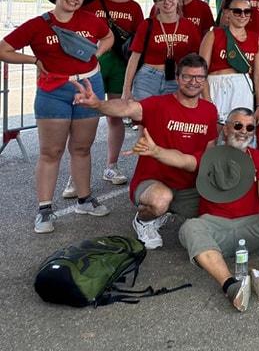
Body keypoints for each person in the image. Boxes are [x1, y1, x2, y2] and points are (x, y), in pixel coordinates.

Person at [130, 107, 259, 312]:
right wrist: (156, 151)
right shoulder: (210, 157)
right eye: (238, 125)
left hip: (252, 227)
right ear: (226, 129)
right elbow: (183, 160)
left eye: (249, 127)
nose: (243, 131)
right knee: (190, 227)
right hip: (216, 229)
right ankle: (231, 286)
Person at [0, 0, 114, 233]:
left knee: (82, 147)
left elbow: (108, 37)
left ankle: (84, 200)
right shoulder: (37, 25)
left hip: (89, 85)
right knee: (51, 151)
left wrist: (96, 55)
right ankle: (44, 210)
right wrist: (34, 61)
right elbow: (3, 49)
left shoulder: (90, 20)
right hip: (53, 89)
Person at [71, 54, 219, 249]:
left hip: (188, 186)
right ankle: (144, 221)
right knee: (160, 200)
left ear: (205, 80)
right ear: (177, 78)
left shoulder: (209, 111)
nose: (193, 82)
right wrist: (98, 105)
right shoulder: (158, 104)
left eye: (199, 77)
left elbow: (209, 151)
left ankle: (168, 211)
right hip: (154, 181)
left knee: (220, 207)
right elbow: (126, 107)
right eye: (187, 76)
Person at [83, 0, 144, 187]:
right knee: (85, 117)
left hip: (120, 64)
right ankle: (76, 174)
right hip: (95, 61)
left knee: (115, 116)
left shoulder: (133, 7)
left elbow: (138, 39)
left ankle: (111, 165)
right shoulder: (92, 3)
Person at [123, 0, 201, 101]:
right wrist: (126, 89)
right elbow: (134, 58)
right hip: (148, 77)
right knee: (143, 111)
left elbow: (195, 56)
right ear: (156, 4)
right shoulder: (147, 24)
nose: (167, 2)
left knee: (171, 112)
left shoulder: (188, 25)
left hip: (176, 77)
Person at [199, 0, 259, 125]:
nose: (243, 15)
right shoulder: (213, 35)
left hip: (242, 88)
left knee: (239, 130)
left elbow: (258, 75)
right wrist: (207, 99)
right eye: (237, 11)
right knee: (212, 129)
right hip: (215, 86)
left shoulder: (256, 39)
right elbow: (201, 71)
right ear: (227, 13)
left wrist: (258, 105)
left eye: (247, 11)